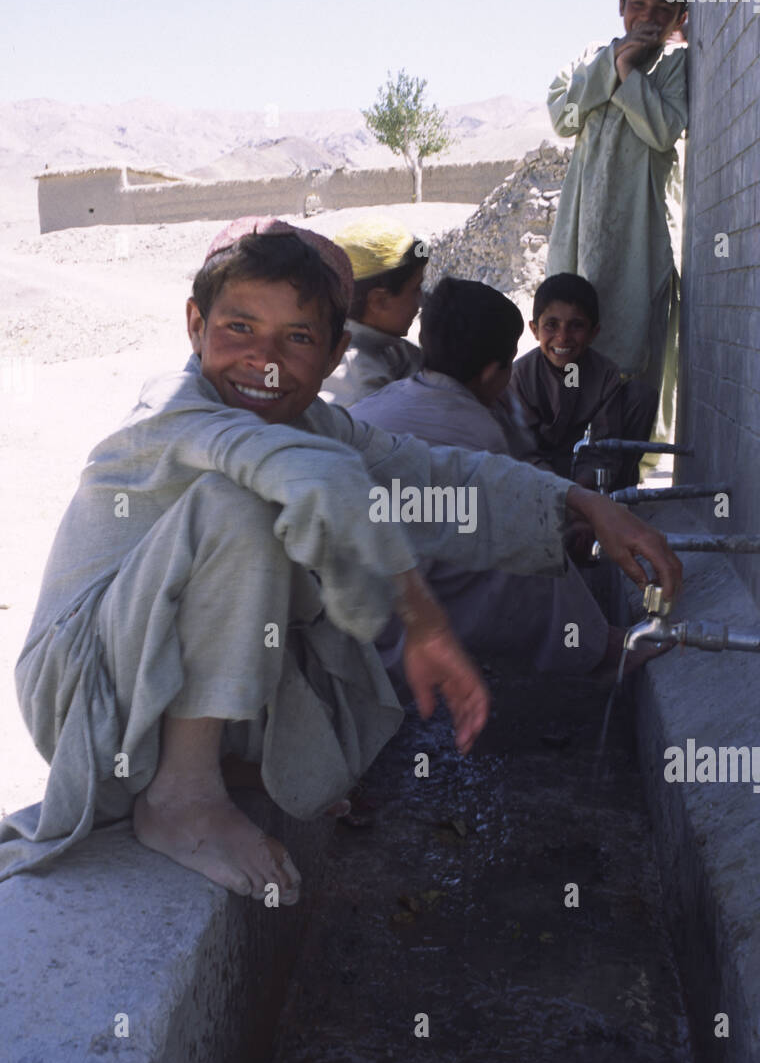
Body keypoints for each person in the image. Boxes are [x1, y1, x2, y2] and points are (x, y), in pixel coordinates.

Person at [1, 219, 681, 900]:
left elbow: (424, 476)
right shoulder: (175, 408)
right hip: (84, 692)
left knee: (345, 664)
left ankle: (234, 762)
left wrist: (581, 504)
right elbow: (316, 481)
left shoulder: (308, 421)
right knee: (239, 508)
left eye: (296, 338)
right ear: (195, 325)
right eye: (239, 328)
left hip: (148, 688)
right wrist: (422, 618)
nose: (264, 361)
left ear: (334, 354)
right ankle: (181, 798)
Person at [351, 276, 671, 690]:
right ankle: (597, 651)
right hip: (383, 619)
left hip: (349, 590)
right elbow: (514, 503)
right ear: (492, 372)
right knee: (533, 549)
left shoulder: (396, 397)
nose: (563, 338)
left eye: (576, 326)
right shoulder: (473, 425)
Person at [545, 0, 688, 443]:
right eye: (638, 3)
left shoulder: (675, 65)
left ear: (680, 20)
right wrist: (612, 63)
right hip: (581, 224)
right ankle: (568, 445)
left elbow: (664, 130)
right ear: (621, 6)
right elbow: (562, 116)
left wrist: (629, 73)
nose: (648, 16)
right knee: (571, 331)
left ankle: (627, 459)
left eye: (663, 10)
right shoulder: (589, 57)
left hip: (639, 228)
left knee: (633, 338)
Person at [510, 272, 658, 489]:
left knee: (641, 396)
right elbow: (521, 450)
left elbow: (604, 446)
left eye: (576, 325)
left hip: (590, 472)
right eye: (551, 325)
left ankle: (615, 495)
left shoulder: (605, 374)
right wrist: (559, 492)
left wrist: (582, 491)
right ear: (534, 330)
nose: (563, 337)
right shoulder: (520, 375)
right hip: (538, 475)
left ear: (593, 332)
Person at [318, 216, 425, 405]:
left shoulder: (391, 348)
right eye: (415, 289)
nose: (421, 300)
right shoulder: (362, 384)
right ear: (379, 301)